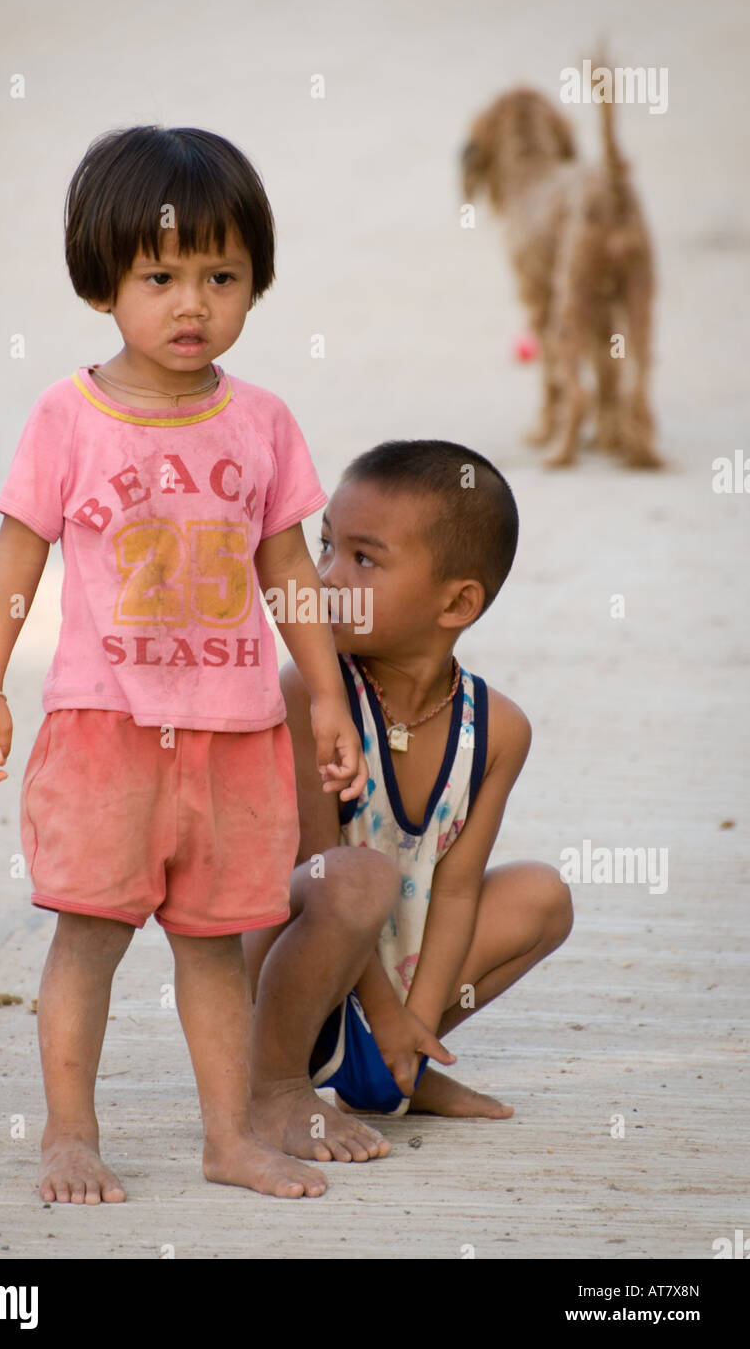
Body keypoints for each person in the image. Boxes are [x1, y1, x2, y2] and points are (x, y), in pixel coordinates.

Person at [0, 125, 368, 1203]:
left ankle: (228, 1138)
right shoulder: (67, 417)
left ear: (254, 282)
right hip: (105, 732)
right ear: (104, 285)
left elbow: (286, 566)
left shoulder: (264, 422)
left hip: (235, 734)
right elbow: (17, 556)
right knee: (89, 938)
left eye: (220, 276)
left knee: (214, 948)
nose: (192, 304)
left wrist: (323, 695)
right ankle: (67, 1133)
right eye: (161, 277)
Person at [245, 441, 574, 1164]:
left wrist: (414, 1022)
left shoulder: (497, 730)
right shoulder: (313, 694)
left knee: (542, 895)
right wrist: (386, 1013)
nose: (327, 576)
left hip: (393, 966)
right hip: (283, 959)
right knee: (350, 876)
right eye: (325, 545)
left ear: (456, 602)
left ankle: (396, 1072)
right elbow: (312, 864)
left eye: (363, 559)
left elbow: (455, 892)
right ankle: (271, 1085)